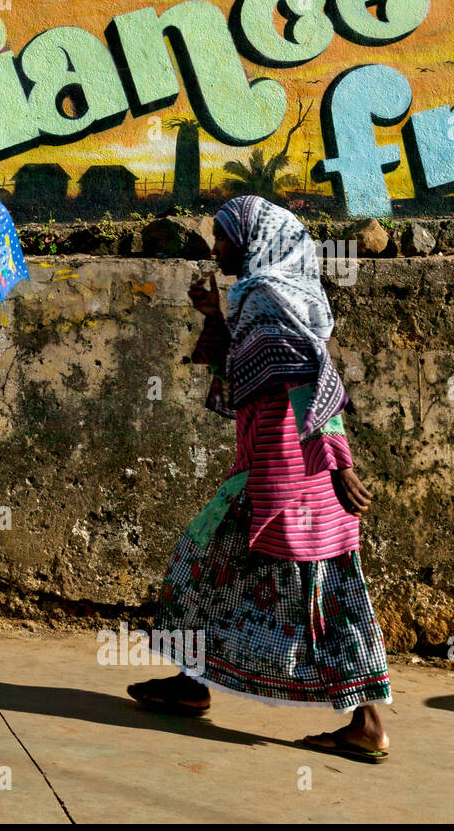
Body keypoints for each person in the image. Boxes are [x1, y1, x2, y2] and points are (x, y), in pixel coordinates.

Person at [127, 195, 392, 764]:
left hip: (293, 475)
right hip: (266, 469)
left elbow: (309, 379)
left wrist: (338, 462)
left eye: (223, 237)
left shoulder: (270, 298)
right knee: (219, 570)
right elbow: (248, 375)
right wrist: (212, 317)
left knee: (311, 590)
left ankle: (366, 722)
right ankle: (194, 683)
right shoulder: (258, 295)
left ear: (254, 241)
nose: (216, 247)